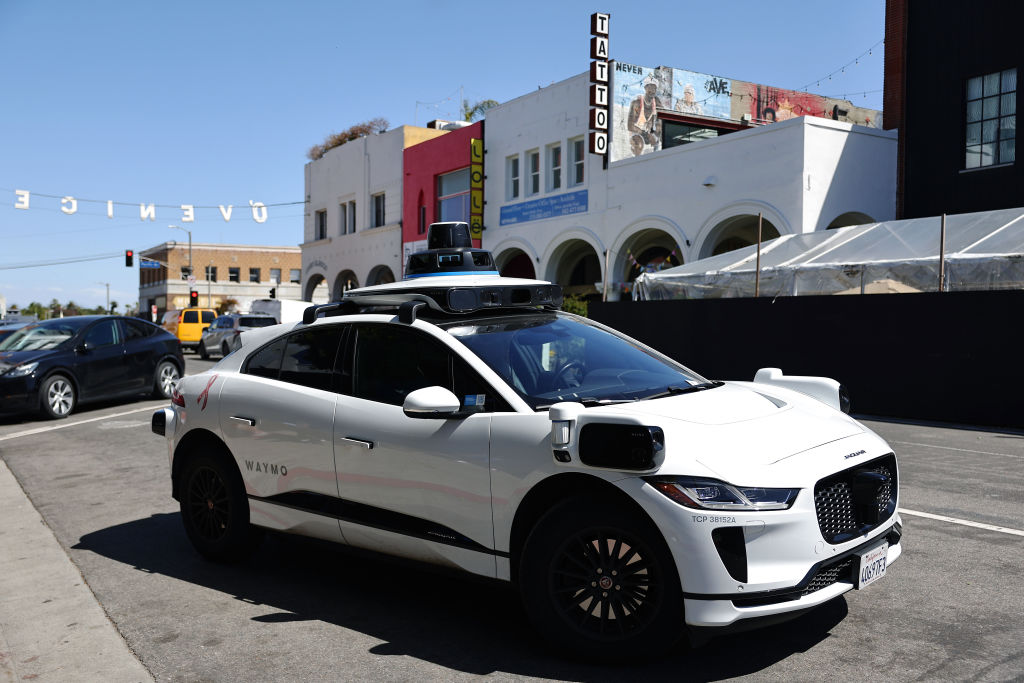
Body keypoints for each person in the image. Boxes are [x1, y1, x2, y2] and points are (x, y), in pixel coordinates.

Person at [627, 72, 661, 149]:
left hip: (649, 140)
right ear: (645, 88)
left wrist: (655, 133)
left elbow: (663, 119)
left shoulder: (656, 102)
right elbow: (630, 126)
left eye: (654, 88)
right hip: (636, 140)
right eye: (650, 87)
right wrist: (645, 134)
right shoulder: (637, 102)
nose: (652, 90)